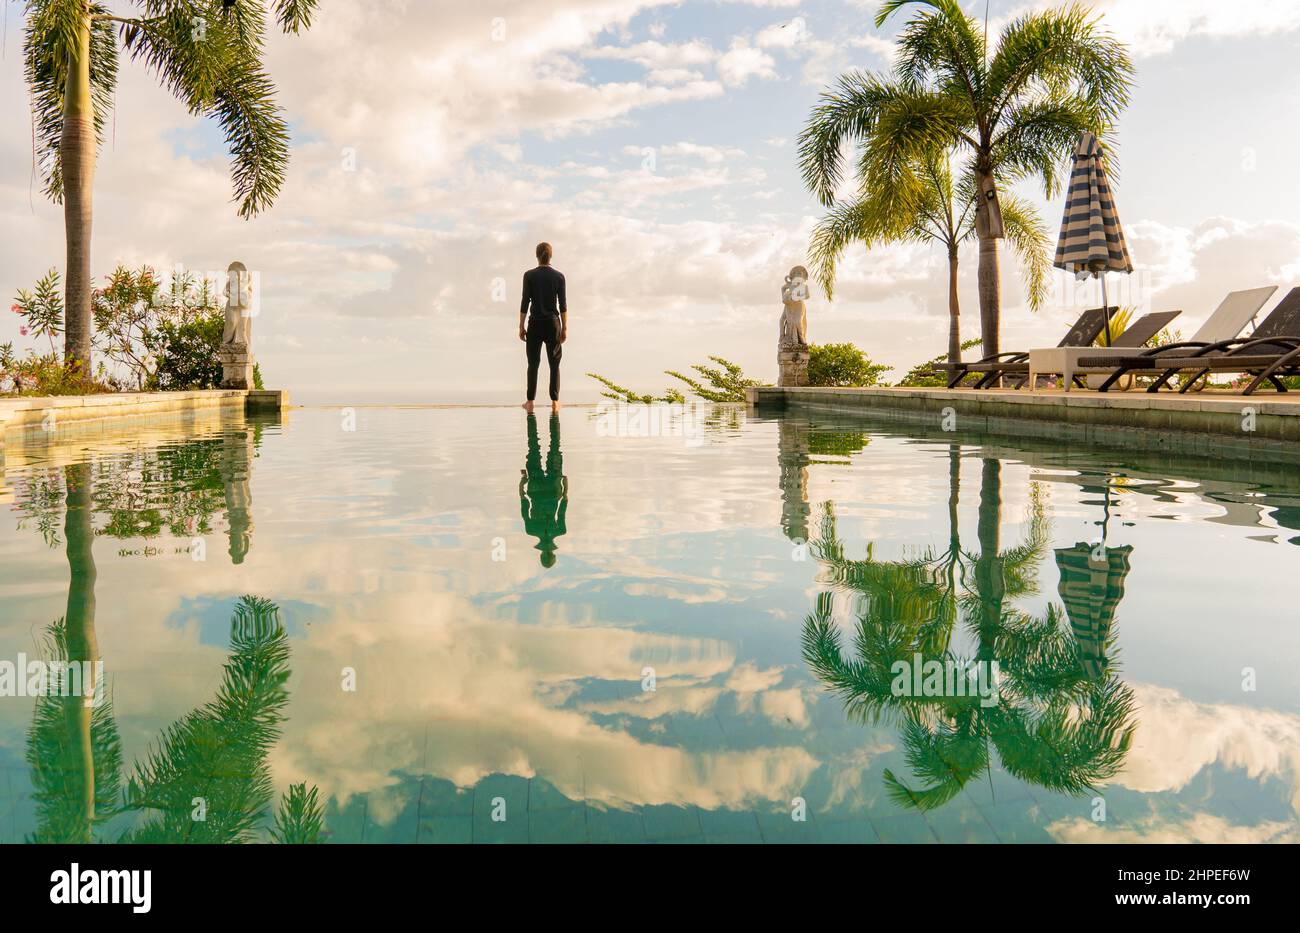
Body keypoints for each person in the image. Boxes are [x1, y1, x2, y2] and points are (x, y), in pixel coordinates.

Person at [519, 242, 567, 413]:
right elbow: (563, 305)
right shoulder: (559, 277)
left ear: (537, 255)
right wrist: (565, 328)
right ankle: (555, 403)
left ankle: (530, 402)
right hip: (553, 324)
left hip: (535, 324)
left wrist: (521, 326)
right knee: (554, 364)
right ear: (550, 256)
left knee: (533, 364)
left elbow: (525, 302)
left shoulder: (529, 276)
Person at [519, 413, 568, 568]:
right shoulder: (530, 530)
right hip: (536, 489)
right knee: (533, 446)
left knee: (554, 446)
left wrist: (565, 485)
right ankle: (542, 415)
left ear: (552, 554)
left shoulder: (560, 531)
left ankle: (545, 414)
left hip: (553, 490)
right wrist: (523, 481)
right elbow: (523, 500)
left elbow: (563, 505)